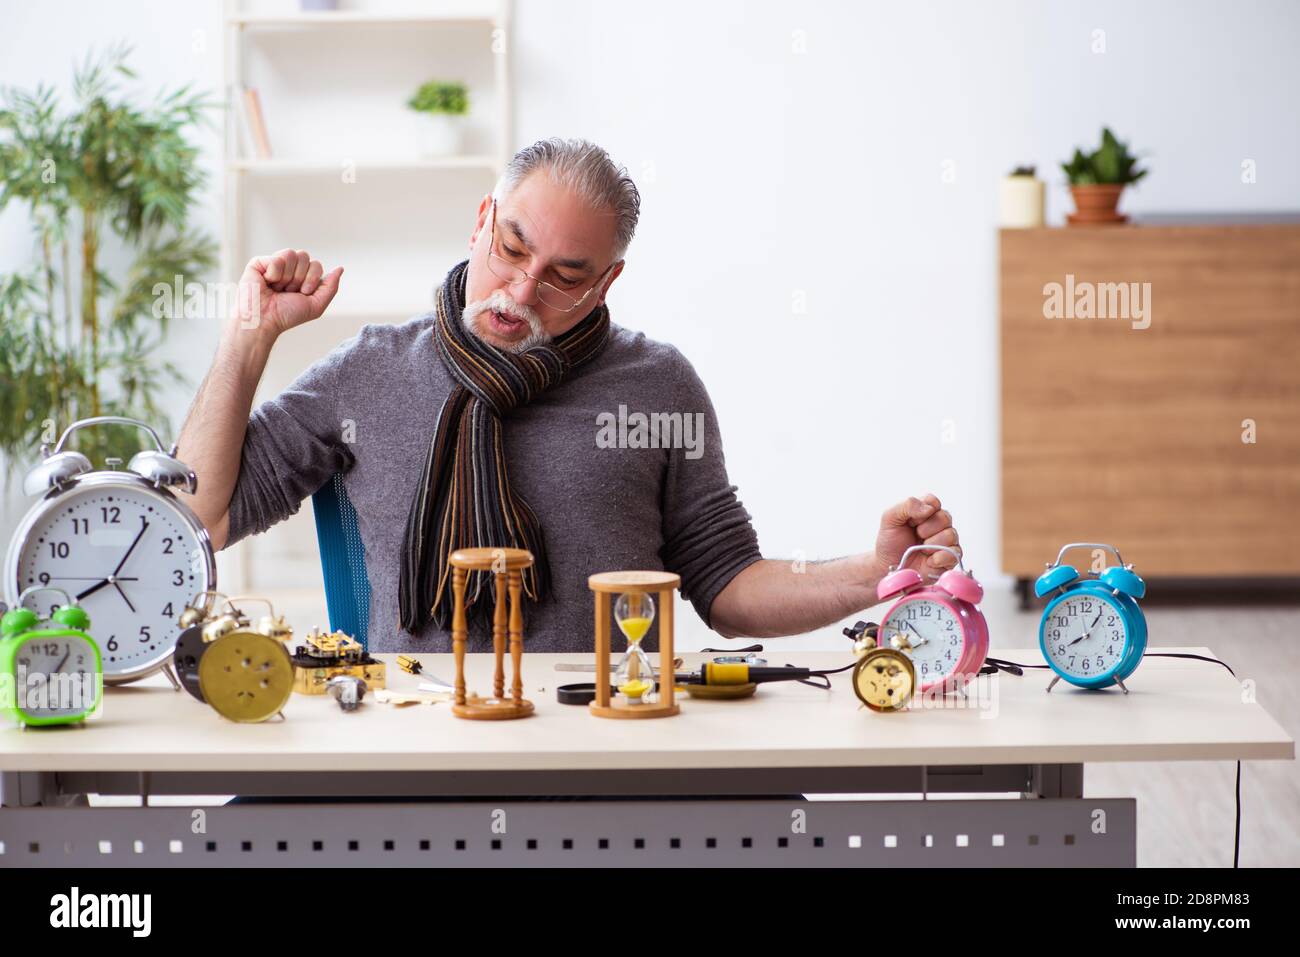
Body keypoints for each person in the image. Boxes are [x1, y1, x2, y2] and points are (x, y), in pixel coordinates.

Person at [177, 137, 961, 653]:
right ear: (481, 221)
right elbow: (199, 520)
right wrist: (249, 337)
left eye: (565, 275)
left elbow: (727, 587)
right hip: (420, 746)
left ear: (607, 281)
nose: (520, 289)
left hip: (611, 746)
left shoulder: (656, 384)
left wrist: (876, 570)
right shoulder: (370, 370)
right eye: (511, 247)